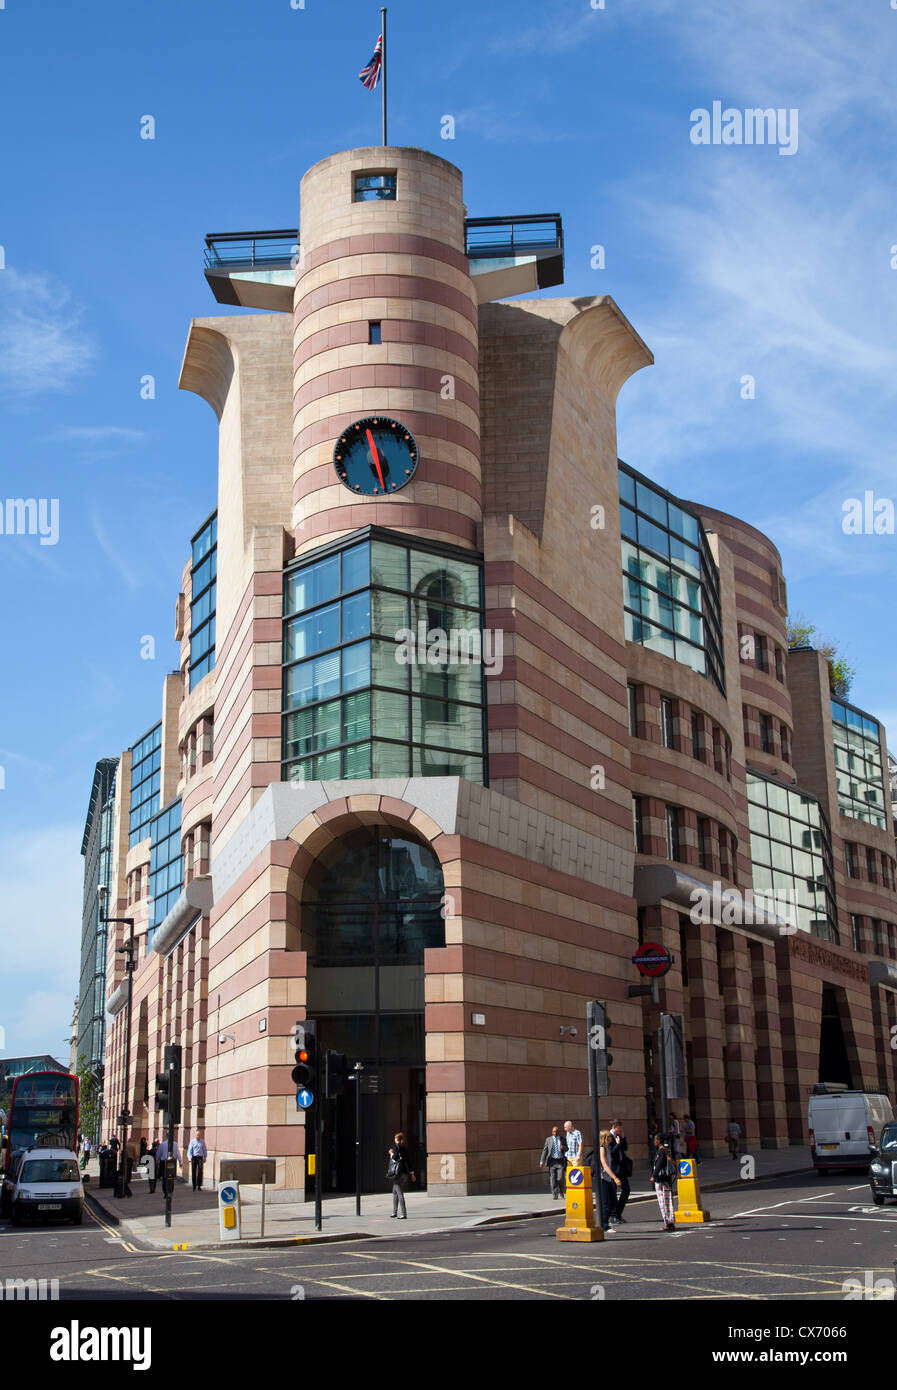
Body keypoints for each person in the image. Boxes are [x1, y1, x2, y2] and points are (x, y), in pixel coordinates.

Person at [606, 1119, 632, 1222]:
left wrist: (623, 1137)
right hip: (613, 1169)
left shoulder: (619, 1136)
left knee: (626, 1190)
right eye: (619, 1128)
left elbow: (625, 1148)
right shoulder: (608, 1136)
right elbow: (611, 1152)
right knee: (613, 1192)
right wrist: (617, 1144)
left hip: (621, 1168)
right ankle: (613, 1215)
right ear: (614, 1127)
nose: (620, 1129)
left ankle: (617, 1213)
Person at [387, 1132, 415, 1219]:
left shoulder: (396, 1147)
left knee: (399, 1193)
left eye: (395, 1138)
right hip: (404, 1173)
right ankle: (394, 1212)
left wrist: (391, 1153)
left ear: (396, 1139)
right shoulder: (405, 1148)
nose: (394, 1139)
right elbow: (408, 1161)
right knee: (394, 1191)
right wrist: (412, 1173)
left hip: (397, 1173)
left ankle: (404, 1213)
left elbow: (395, 1157)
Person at [652, 1132, 677, 1230]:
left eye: (655, 1140)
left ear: (659, 1141)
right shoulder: (664, 1150)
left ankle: (668, 1223)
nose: (654, 1142)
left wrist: (653, 1176)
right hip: (665, 1180)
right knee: (667, 1201)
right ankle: (669, 1222)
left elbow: (659, 1165)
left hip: (662, 1180)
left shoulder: (661, 1151)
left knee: (664, 1202)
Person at [598, 1129, 621, 1228]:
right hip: (603, 1178)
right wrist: (615, 1178)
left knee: (613, 1201)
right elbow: (605, 1166)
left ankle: (606, 1222)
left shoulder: (607, 1148)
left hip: (608, 1178)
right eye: (608, 1137)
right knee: (605, 1202)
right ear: (604, 1138)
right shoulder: (602, 1149)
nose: (610, 1138)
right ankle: (604, 1225)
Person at [539, 1125, 566, 1198]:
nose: (555, 1133)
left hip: (560, 1161)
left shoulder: (562, 1139)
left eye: (556, 1131)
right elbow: (545, 1151)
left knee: (560, 1178)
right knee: (553, 1178)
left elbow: (567, 1148)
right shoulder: (548, 1139)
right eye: (554, 1131)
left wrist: (563, 1147)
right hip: (552, 1161)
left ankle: (560, 1189)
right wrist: (541, 1161)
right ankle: (555, 1194)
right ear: (552, 1132)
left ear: (558, 1132)